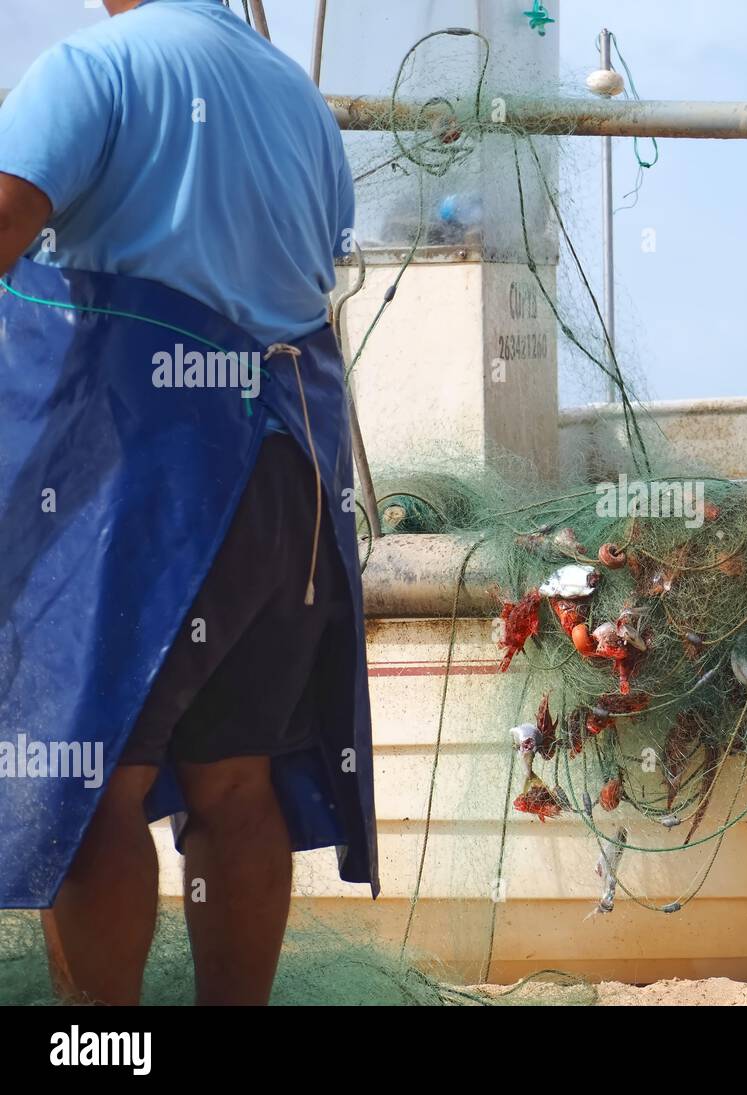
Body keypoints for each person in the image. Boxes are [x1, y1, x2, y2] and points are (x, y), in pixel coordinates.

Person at [0, 0, 378, 1006]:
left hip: (151, 485)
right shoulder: (295, 95)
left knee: (87, 783)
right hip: (291, 473)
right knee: (236, 778)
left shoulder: (95, 69)